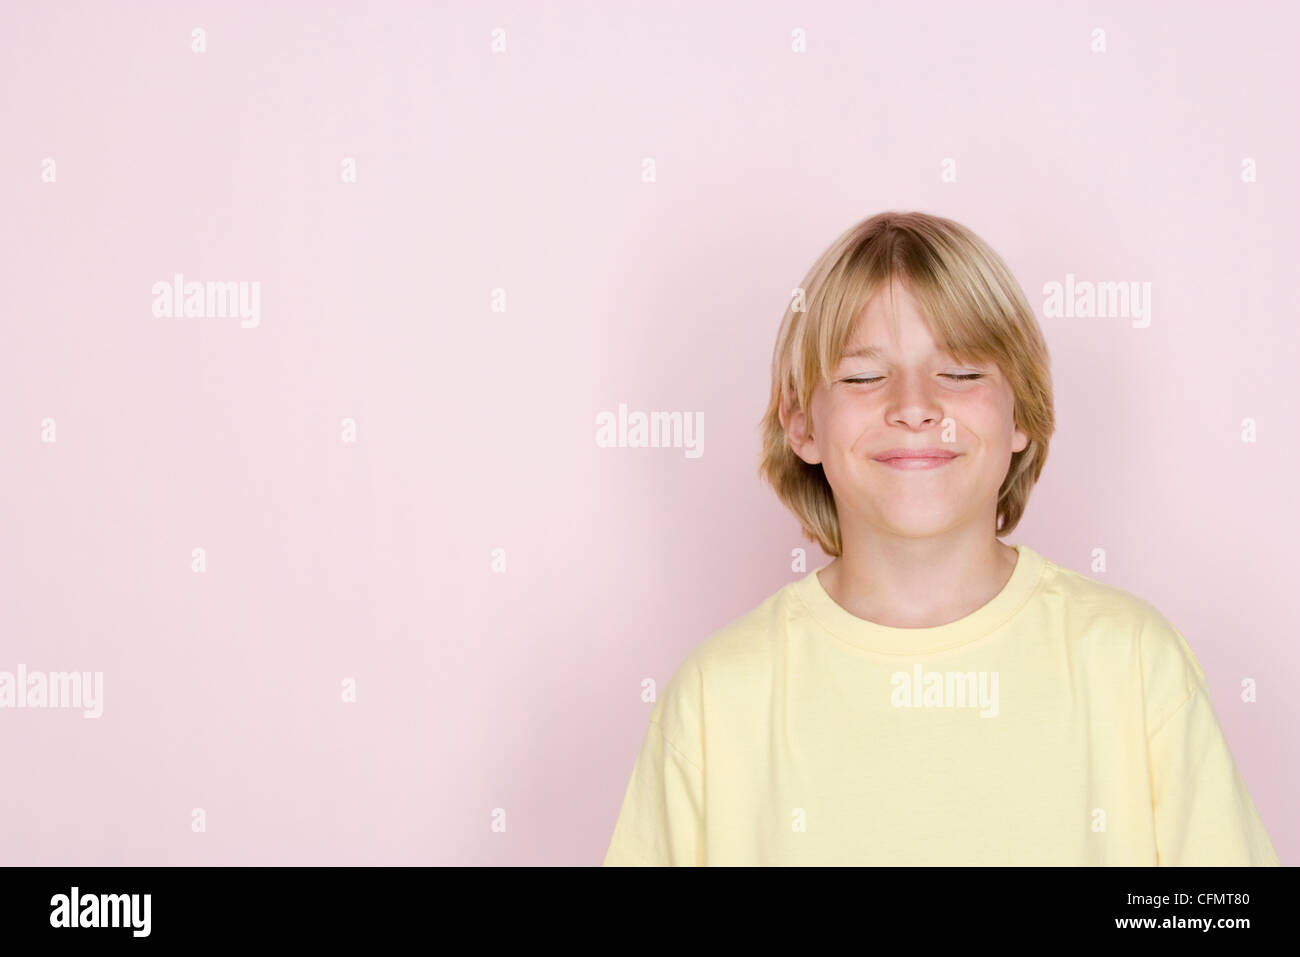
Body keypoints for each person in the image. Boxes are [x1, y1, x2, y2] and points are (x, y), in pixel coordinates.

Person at [601, 211, 1281, 866]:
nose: (915, 405)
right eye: (865, 375)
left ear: (1022, 414)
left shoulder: (1134, 666)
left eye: (960, 372)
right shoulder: (717, 701)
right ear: (802, 424)